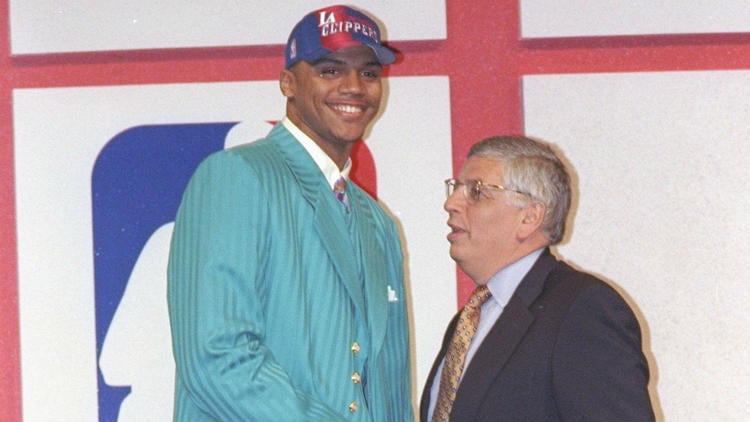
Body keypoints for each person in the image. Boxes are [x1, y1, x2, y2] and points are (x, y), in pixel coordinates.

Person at [167, 5, 412, 421]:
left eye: (369, 73)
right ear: (288, 83)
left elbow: (390, 385)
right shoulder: (236, 176)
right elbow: (217, 359)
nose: (355, 87)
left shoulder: (378, 223)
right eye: (330, 70)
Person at [420, 136, 654, 421]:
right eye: (455, 188)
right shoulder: (467, 323)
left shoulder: (582, 310)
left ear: (529, 217)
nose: (451, 203)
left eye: (476, 191)